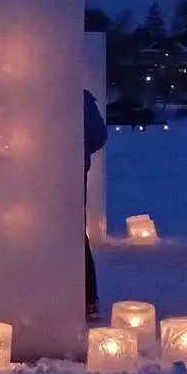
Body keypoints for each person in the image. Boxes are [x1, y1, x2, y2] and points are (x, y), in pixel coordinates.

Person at [83, 89, 108, 322]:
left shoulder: (81, 98)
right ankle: (88, 298)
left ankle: (88, 297)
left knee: (72, 233)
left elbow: (99, 135)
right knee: (74, 232)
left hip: (68, 169)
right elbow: (99, 135)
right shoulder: (83, 98)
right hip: (75, 168)